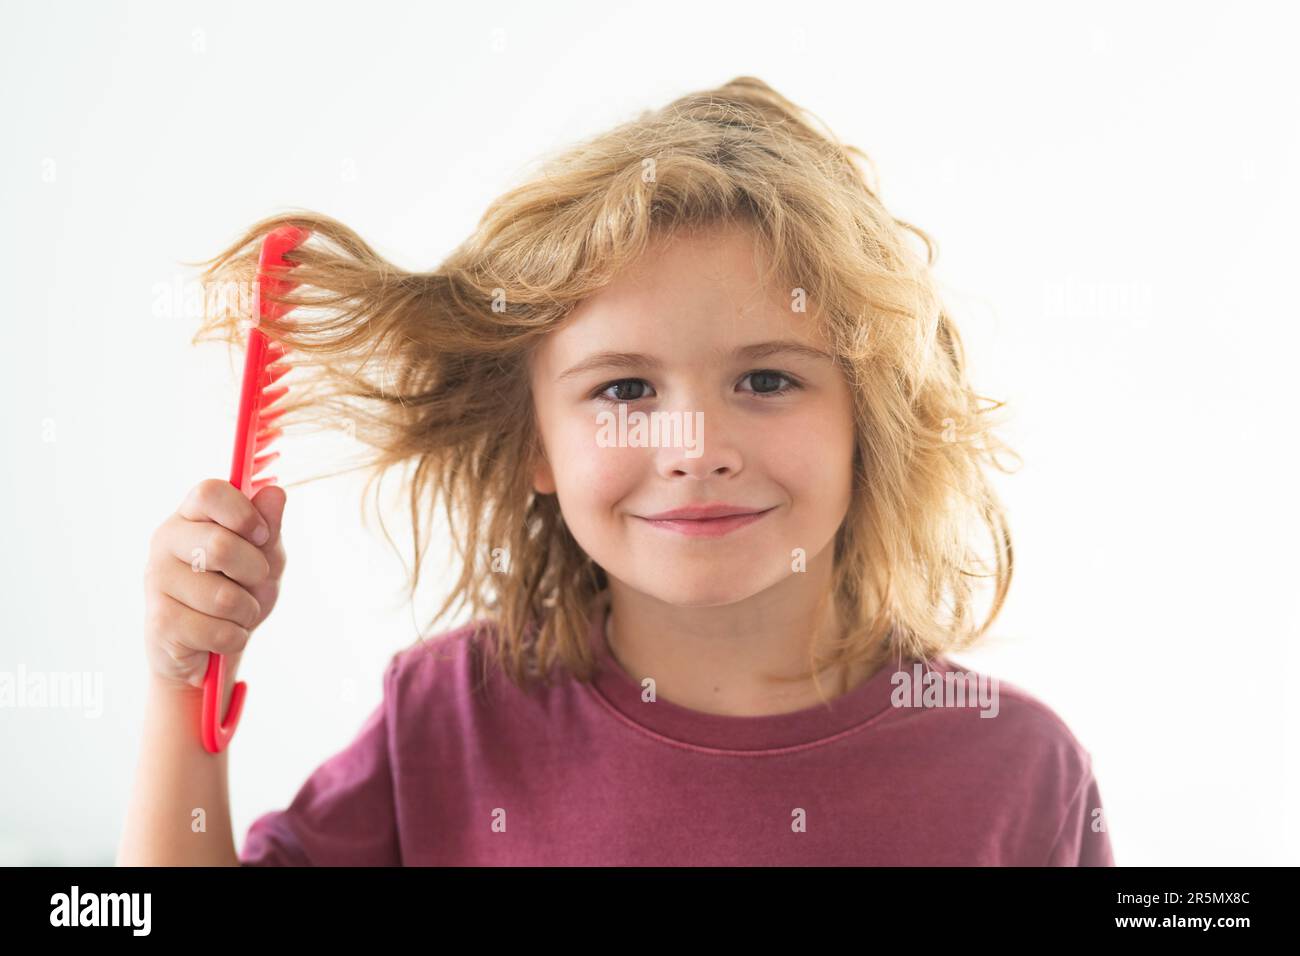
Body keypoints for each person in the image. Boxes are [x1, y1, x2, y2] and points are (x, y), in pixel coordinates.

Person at [119, 76, 1113, 866]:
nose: (694, 445)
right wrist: (182, 687)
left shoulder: (1016, 770)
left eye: (767, 377)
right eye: (625, 390)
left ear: (870, 418)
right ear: (533, 444)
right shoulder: (448, 723)